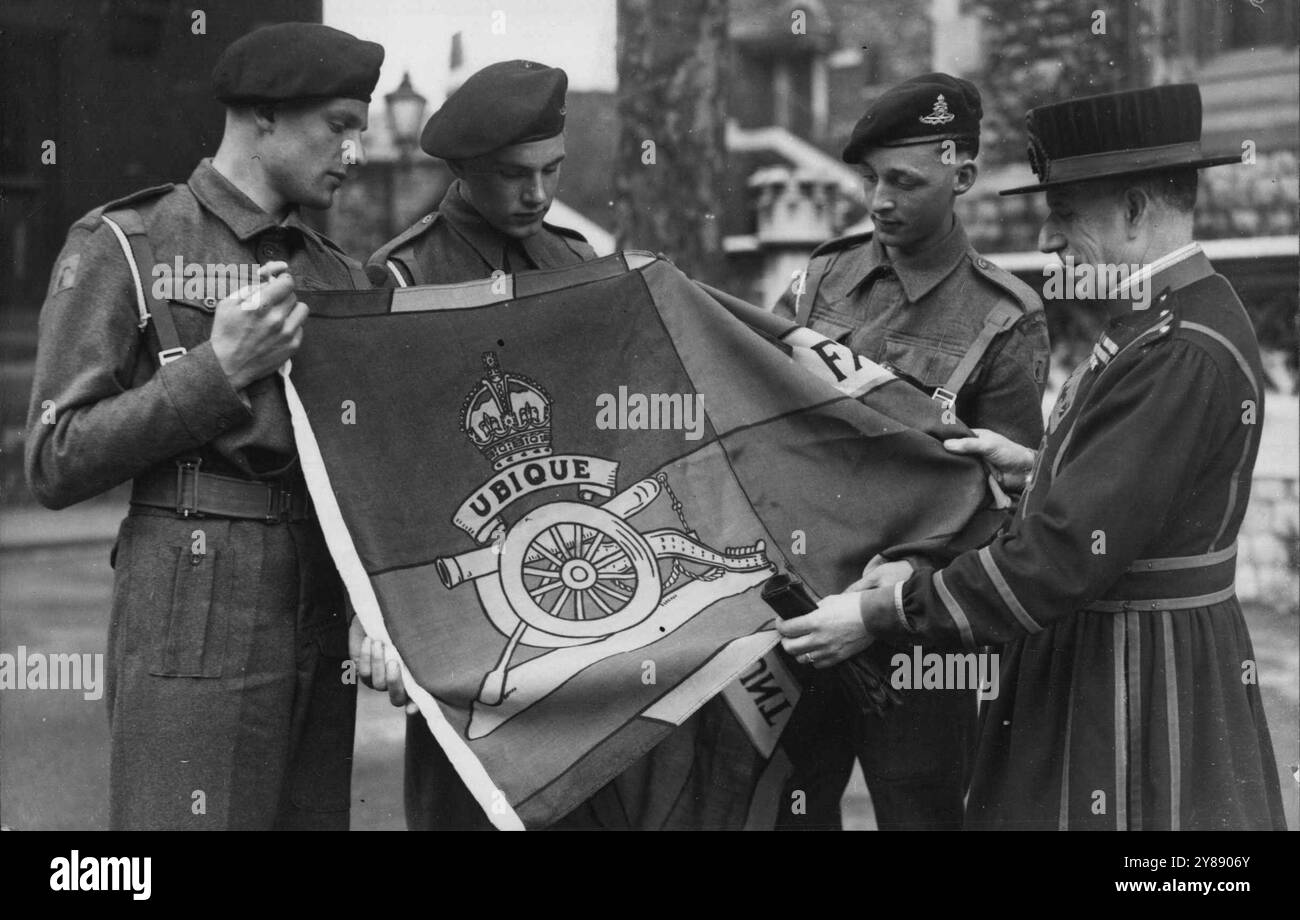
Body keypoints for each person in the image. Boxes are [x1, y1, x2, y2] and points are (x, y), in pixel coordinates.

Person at [778, 83, 1288, 831]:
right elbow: (1120, 488)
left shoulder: (1178, 350)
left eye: (1065, 215)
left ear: (1137, 210)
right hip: (1119, 652)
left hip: (1136, 675)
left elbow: (1061, 551)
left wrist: (881, 611)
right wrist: (1033, 464)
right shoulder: (1168, 321)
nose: (1049, 239)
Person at [25, 22, 383, 830]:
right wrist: (215, 373)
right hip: (194, 593)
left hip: (319, 602)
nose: (355, 153)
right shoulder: (128, 243)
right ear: (262, 115)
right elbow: (55, 458)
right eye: (339, 126)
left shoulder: (337, 272)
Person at [772, 73, 1050, 831]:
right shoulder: (822, 280)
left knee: (924, 816)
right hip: (798, 616)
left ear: (961, 175)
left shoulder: (1003, 317)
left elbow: (1008, 499)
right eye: (869, 180)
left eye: (904, 181)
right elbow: (761, 423)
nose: (879, 201)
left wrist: (911, 577)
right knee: (783, 814)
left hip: (916, 632)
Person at [355, 60, 606, 830]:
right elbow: (378, 465)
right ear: (463, 169)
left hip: (574, 579)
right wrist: (377, 618)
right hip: (459, 594)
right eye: (512, 174)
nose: (536, 194)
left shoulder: (579, 264)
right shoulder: (404, 273)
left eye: (552, 171)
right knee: (463, 804)